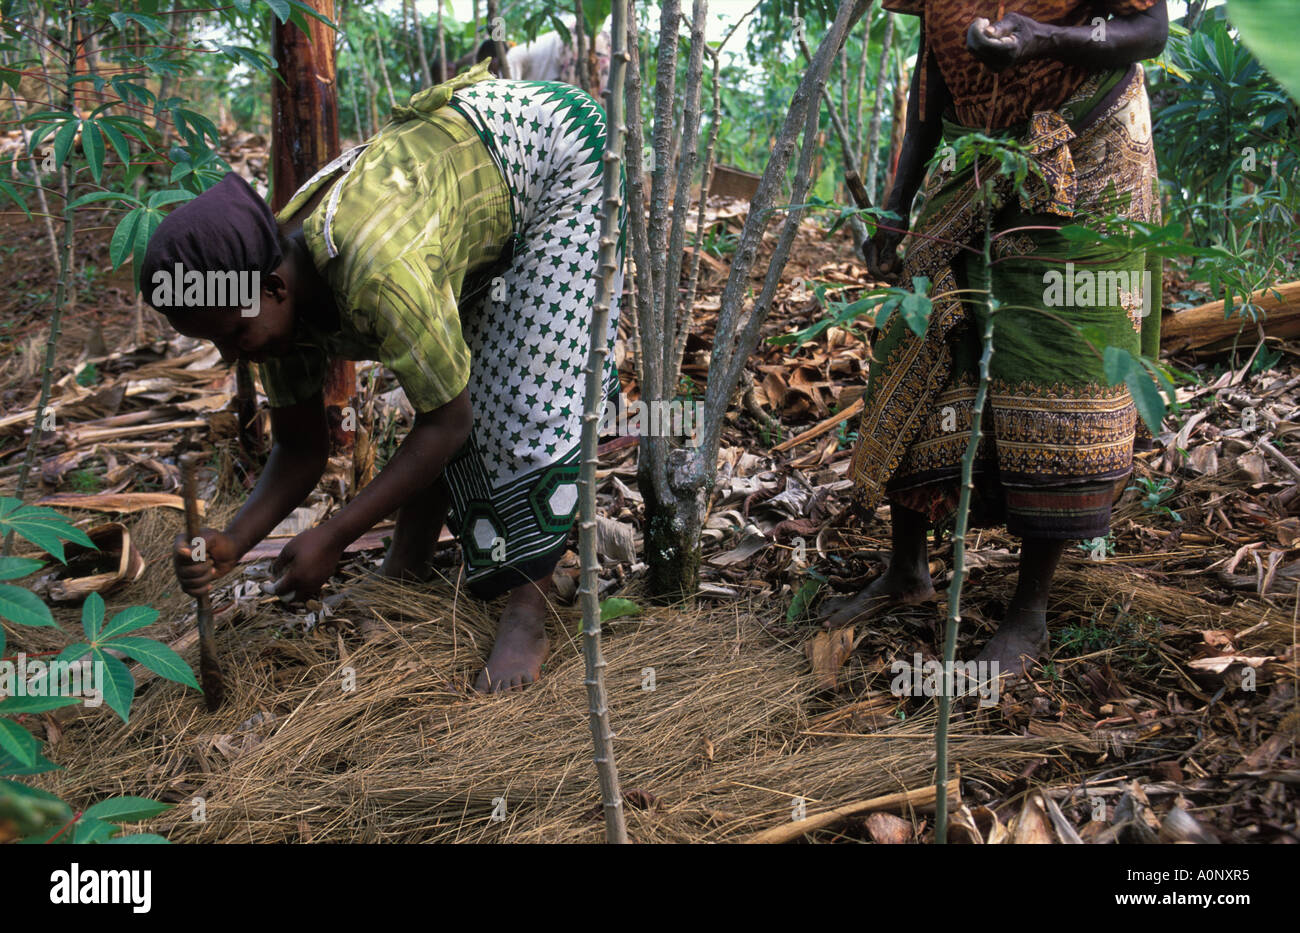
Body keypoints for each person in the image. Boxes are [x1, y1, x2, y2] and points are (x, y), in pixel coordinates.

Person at [148, 60, 624, 692]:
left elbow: (448, 422)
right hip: (459, 192)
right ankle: (408, 561)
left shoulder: (376, 272)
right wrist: (233, 542)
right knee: (443, 373)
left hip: (560, 159)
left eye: (234, 334)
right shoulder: (264, 295)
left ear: (276, 288)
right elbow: (299, 447)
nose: (233, 355)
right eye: (214, 342)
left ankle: (527, 612)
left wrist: (336, 536)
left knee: (523, 399)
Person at [824, 1, 1169, 676]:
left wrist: (1045, 39)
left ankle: (1028, 611)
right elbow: (931, 77)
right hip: (974, 154)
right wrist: (896, 206)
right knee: (923, 335)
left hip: (1088, 153)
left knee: (1059, 357)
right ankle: (906, 568)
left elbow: (1149, 30)